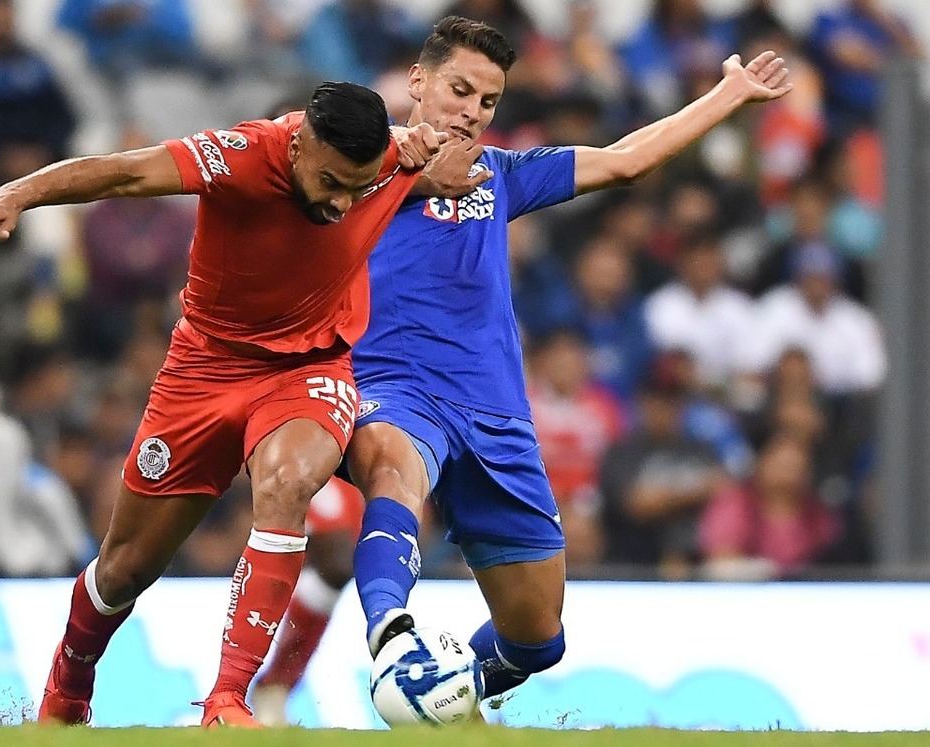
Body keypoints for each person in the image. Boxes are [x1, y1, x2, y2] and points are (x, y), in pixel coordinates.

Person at [251, 15, 792, 721]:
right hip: (394, 390)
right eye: (458, 89)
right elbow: (278, 191)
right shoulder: (351, 169)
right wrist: (407, 177)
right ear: (416, 81)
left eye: (488, 101)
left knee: (538, 637)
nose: (471, 111)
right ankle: (392, 636)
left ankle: (446, 700)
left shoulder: (498, 174)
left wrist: (727, 97)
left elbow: (624, 159)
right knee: (393, 465)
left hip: (498, 416)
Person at [0, 81, 485, 728]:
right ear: (301, 142)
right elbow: (126, 174)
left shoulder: (387, 157)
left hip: (309, 366)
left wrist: (442, 161)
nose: (340, 202)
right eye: (330, 181)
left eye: (354, 190)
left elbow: (420, 167)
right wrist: (17, 192)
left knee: (289, 481)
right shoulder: (242, 154)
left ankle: (227, 700)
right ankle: (67, 692)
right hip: (203, 370)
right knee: (124, 567)